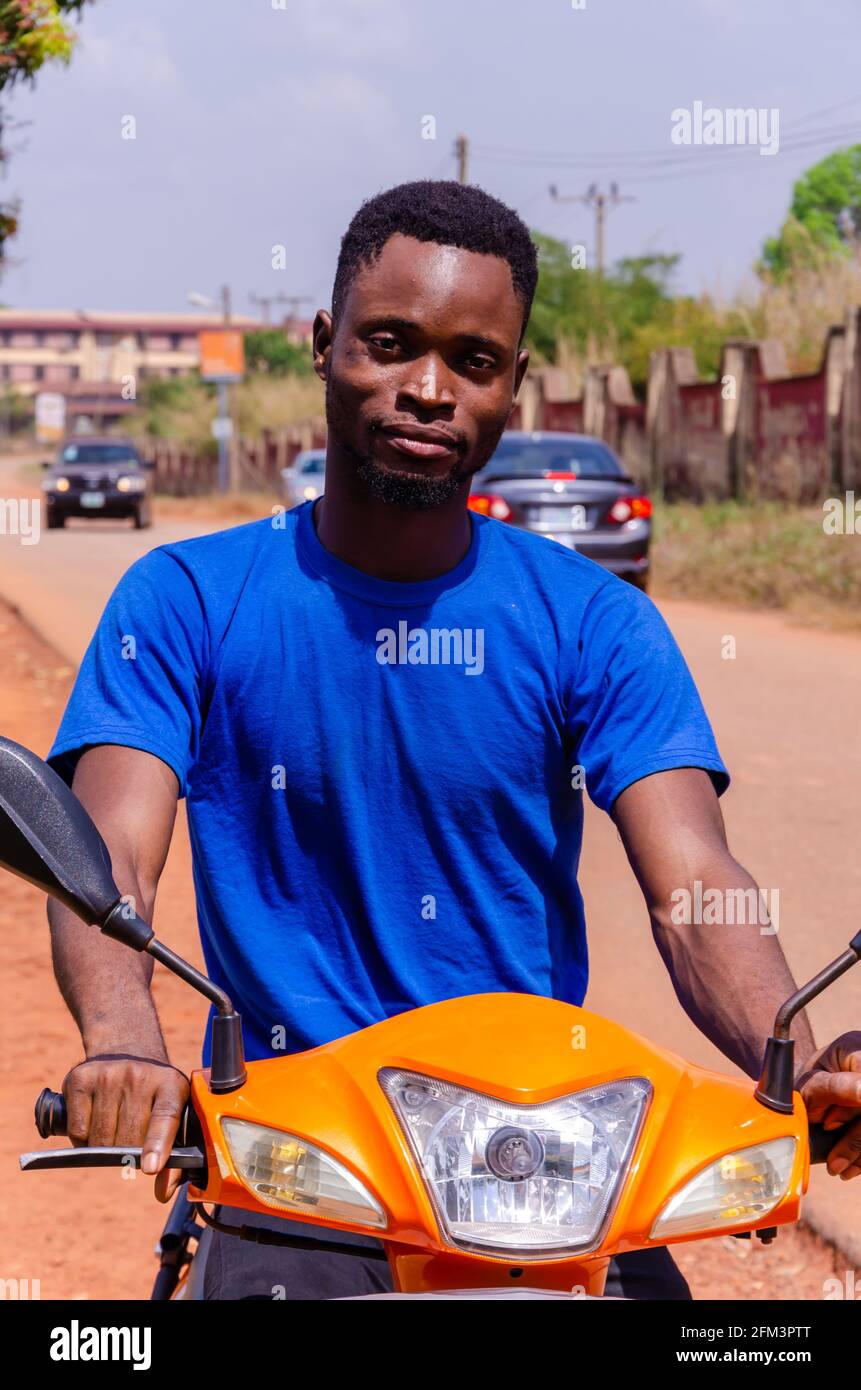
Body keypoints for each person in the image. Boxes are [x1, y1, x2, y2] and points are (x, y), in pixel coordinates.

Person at [46, 181, 861, 1301]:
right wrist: (127, 1039)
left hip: (545, 1160)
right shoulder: (187, 597)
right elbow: (107, 857)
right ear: (326, 346)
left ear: (512, 388)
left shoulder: (595, 620)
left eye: (474, 362)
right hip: (303, 1159)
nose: (428, 389)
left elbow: (694, 881)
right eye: (391, 345)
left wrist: (797, 1053)